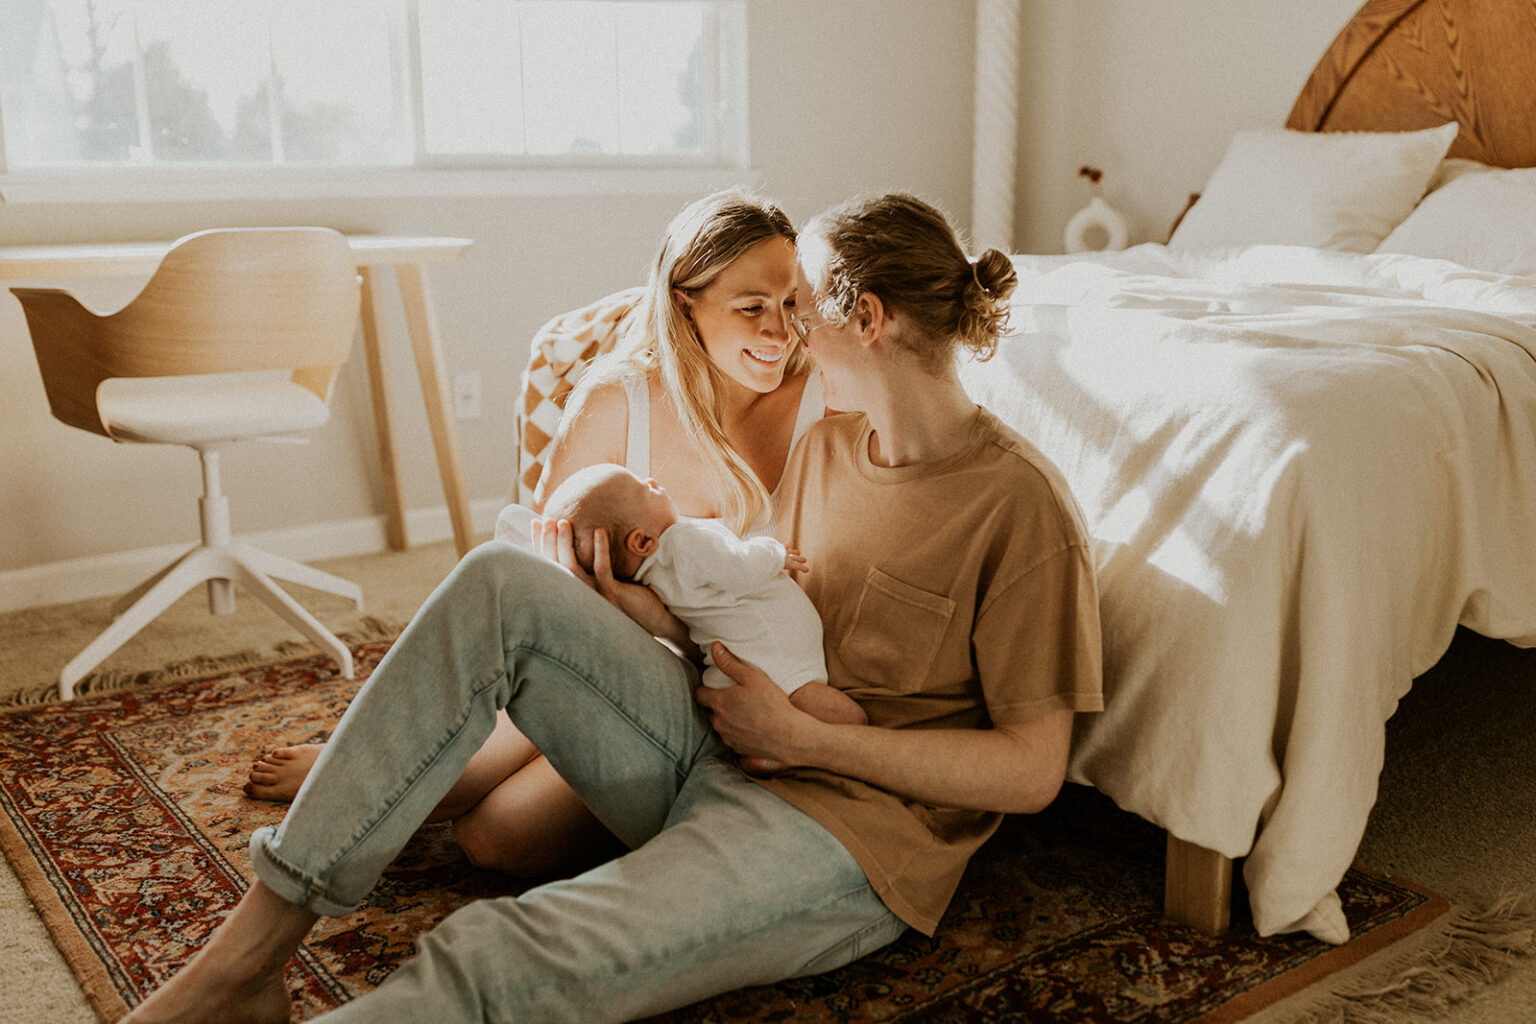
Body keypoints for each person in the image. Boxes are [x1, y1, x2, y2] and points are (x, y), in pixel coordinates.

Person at [125, 191, 1103, 1024]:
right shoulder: (829, 448)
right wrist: (644, 619)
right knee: (499, 584)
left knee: (503, 950)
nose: (789, 331)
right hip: (722, 740)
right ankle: (246, 958)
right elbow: (767, 616)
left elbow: (1030, 771)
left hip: (850, 838)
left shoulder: (1020, 508)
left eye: (803, 307)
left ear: (870, 319)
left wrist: (809, 740)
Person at [244, 186, 825, 875]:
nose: (780, 332)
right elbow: (542, 587)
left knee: (495, 838)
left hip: (728, 685)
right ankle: (371, 772)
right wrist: (612, 614)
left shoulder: (822, 399)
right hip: (609, 654)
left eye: (792, 303)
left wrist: (657, 617)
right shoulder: (619, 400)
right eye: (752, 307)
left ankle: (390, 761)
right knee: (486, 765)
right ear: (684, 303)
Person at [529, 461, 864, 726]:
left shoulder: (651, 580)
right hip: (776, 656)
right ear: (642, 541)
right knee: (839, 712)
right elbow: (737, 568)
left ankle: (766, 753)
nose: (655, 482)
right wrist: (775, 553)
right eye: (646, 489)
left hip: (734, 669)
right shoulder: (683, 543)